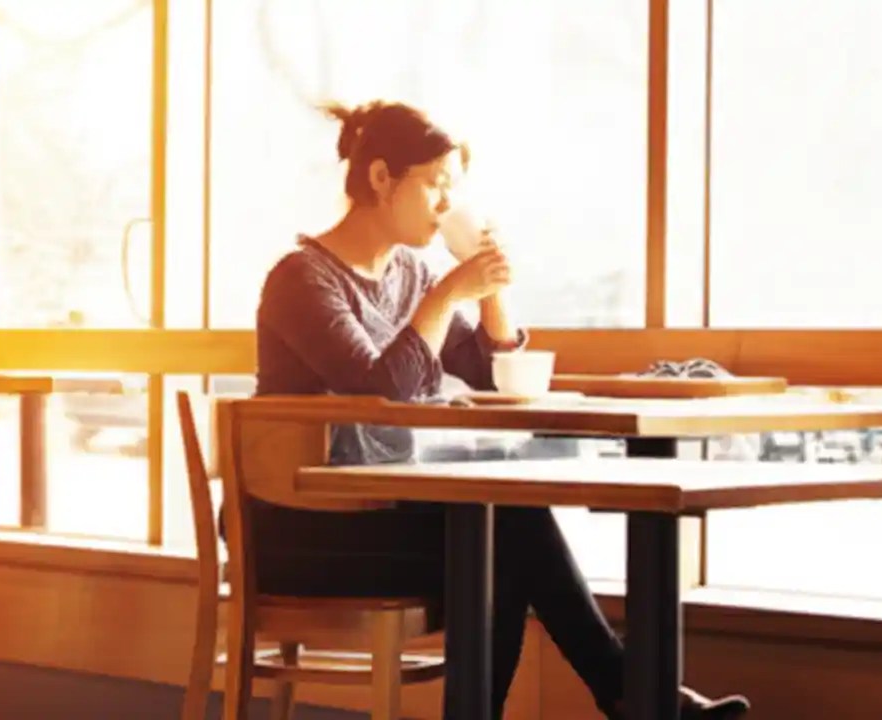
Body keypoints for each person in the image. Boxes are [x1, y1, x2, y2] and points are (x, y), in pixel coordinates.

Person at [251, 100, 750, 719]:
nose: (446, 203)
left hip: (377, 513)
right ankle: (631, 695)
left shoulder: (410, 276)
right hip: (297, 531)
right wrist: (448, 292)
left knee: (502, 528)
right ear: (380, 178)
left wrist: (490, 291)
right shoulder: (302, 279)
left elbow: (491, 371)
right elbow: (382, 395)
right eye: (436, 183)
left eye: (453, 188)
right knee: (502, 534)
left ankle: (628, 694)